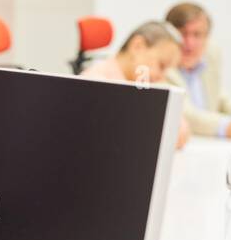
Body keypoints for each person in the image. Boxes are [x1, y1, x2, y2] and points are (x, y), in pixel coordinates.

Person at [163, 1, 231, 139]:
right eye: (183, 34)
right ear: (168, 36)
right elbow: (184, 114)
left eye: (197, 35)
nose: (189, 44)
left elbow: (219, 96)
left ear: (207, 37)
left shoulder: (211, 54)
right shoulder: (160, 65)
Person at [80, 20, 191, 149]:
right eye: (161, 65)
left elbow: (181, 132)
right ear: (137, 46)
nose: (162, 77)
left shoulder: (138, 86)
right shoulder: (97, 83)